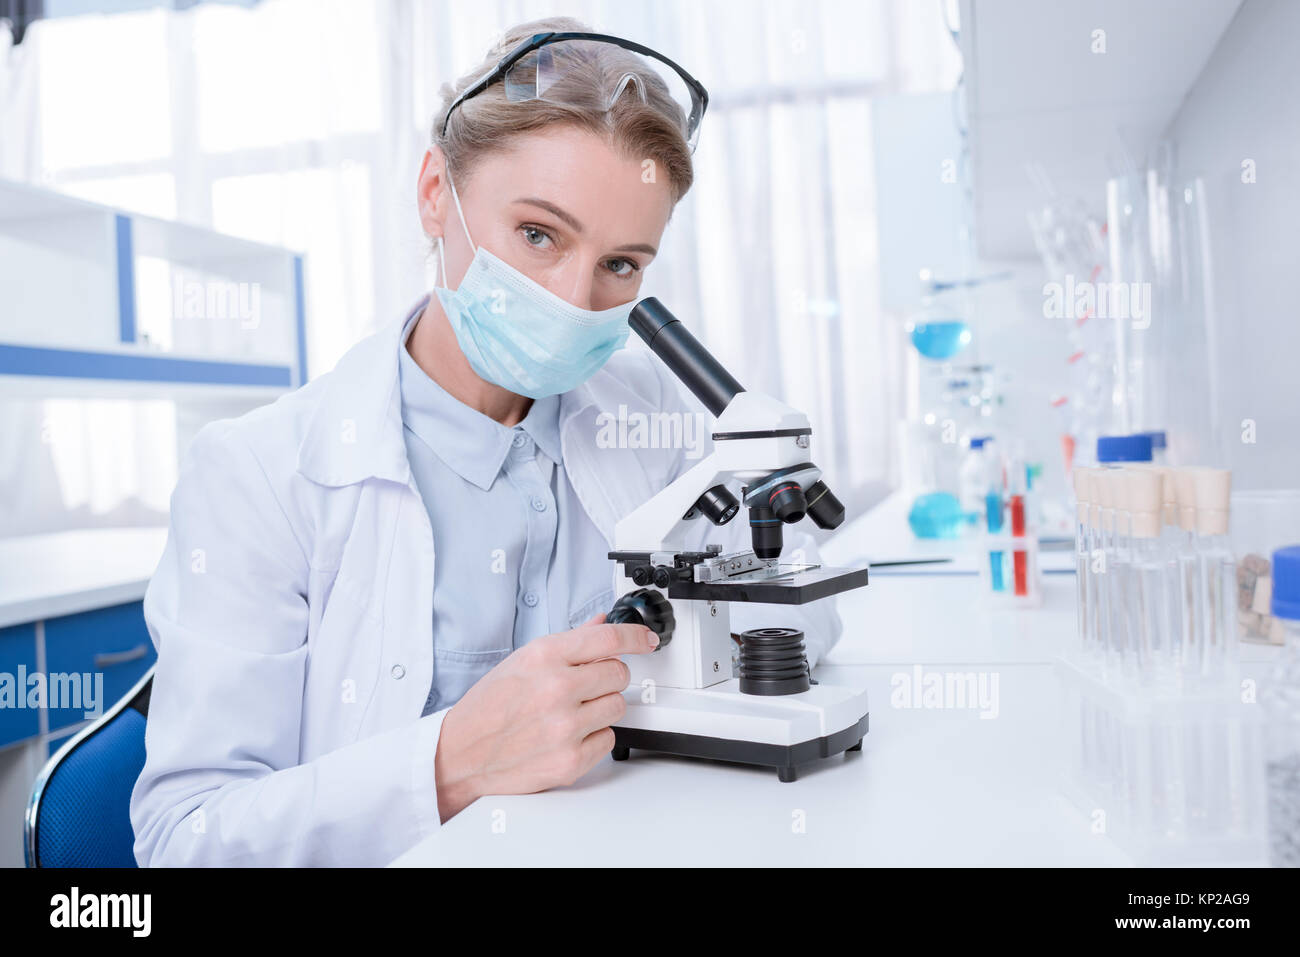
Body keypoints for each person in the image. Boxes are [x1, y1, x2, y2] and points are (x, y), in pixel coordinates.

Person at [130, 16, 842, 867]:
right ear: (437, 193)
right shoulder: (260, 477)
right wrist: (447, 766)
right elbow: (185, 840)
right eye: (538, 234)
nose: (575, 298)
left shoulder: (649, 416)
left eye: (622, 264)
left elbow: (809, 620)